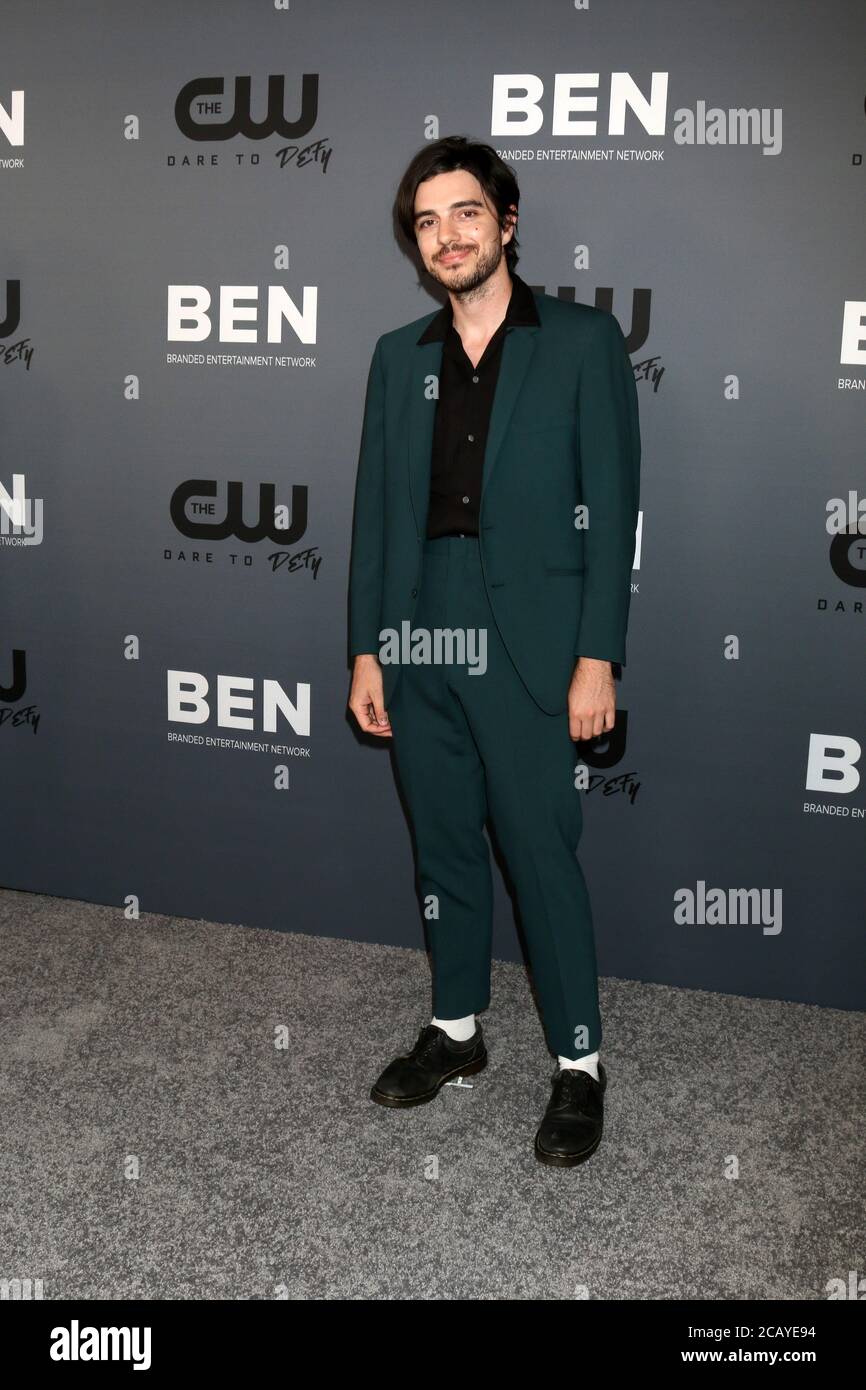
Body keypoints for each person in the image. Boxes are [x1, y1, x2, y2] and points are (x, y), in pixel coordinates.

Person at [347, 135, 641, 1167]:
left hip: (530, 634)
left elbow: (611, 514)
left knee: (536, 850)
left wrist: (596, 653)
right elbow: (376, 516)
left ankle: (578, 1063)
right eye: (426, 222)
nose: (445, 236)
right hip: (420, 622)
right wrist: (368, 650)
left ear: (505, 222)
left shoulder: (580, 340)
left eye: (464, 213)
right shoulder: (398, 357)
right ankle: (458, 1031)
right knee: (443, 842)